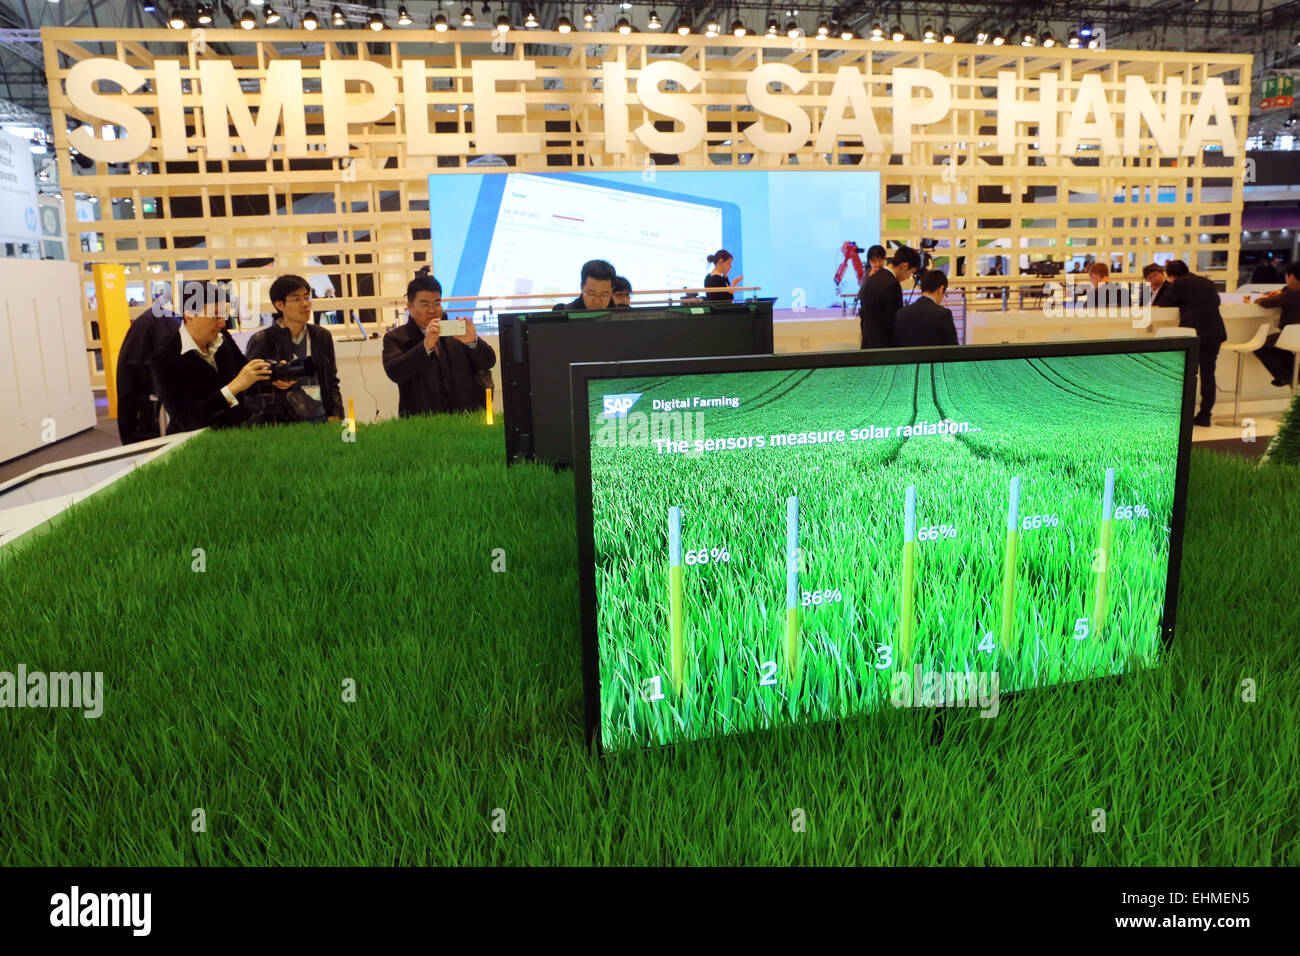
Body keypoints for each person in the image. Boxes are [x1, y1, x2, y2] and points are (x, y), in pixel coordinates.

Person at [149, 280, 273, 433]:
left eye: (224, 316)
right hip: (196, 442)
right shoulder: (165, 357)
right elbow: (187, 419)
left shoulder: (222, 338)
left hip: (237, 432)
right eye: (215, 316)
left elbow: (245, 371)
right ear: (189, 315)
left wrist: (274, 376)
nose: (222, 323)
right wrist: (233, 388)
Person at [382, 274, 496, 416]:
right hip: (421, 424)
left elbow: (489, 361)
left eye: (437, 303)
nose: (432, 310)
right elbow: (395, 372)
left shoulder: (455, 331)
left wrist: (473, 342)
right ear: (410, 307)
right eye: (425, 304)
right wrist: (424, 347)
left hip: (465, 420)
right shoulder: (396, 338)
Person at [244, 274, 344, 424]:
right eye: (296, 299)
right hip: (281, 424)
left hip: (320, 420)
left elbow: (331, 381)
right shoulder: (263, 340)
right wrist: (272, 383)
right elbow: (249, 388)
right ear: (279, 305)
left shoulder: (321, 336)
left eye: (307, 297)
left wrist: (336, 414)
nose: (305, 304)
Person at [1161, 260, 1228, 426]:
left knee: (1188, 376)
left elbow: (1164, 303)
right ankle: (1205, 415)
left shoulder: (1179, 284)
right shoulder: (1206, 281)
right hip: (1214, 333)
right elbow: (1217, 302)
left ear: (1171, 276)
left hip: (1194, 335)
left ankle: (1183, 415)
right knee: (1208, 375)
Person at [115, 295, 182, 444]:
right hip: (149, 412)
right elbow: (131, 378)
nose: (221, 323)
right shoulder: (152, 325)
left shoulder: (165, 323)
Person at [858, 246, 920, 348]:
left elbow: (864, 319)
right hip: (884, 349)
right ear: (904, 266)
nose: (908, 277)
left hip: (868, 346)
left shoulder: (870, 279)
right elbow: (894, 324)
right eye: (911, 272)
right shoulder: (892, 284)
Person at [1253, 260, 1300, 386]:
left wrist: (1270, 296)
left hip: (1291, 337)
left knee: (1261, 344)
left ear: (1292, 277)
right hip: (1294, 339)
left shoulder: (1292, 293)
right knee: (1281, 346)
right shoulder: (1290, 293)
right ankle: (1294, 375)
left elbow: (1263, 302)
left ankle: (1285, 376)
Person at [893, 270, 958, 347]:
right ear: (941, 289)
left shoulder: (902, 313)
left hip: (908, 358)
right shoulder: (943, 314)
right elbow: (952, 348)